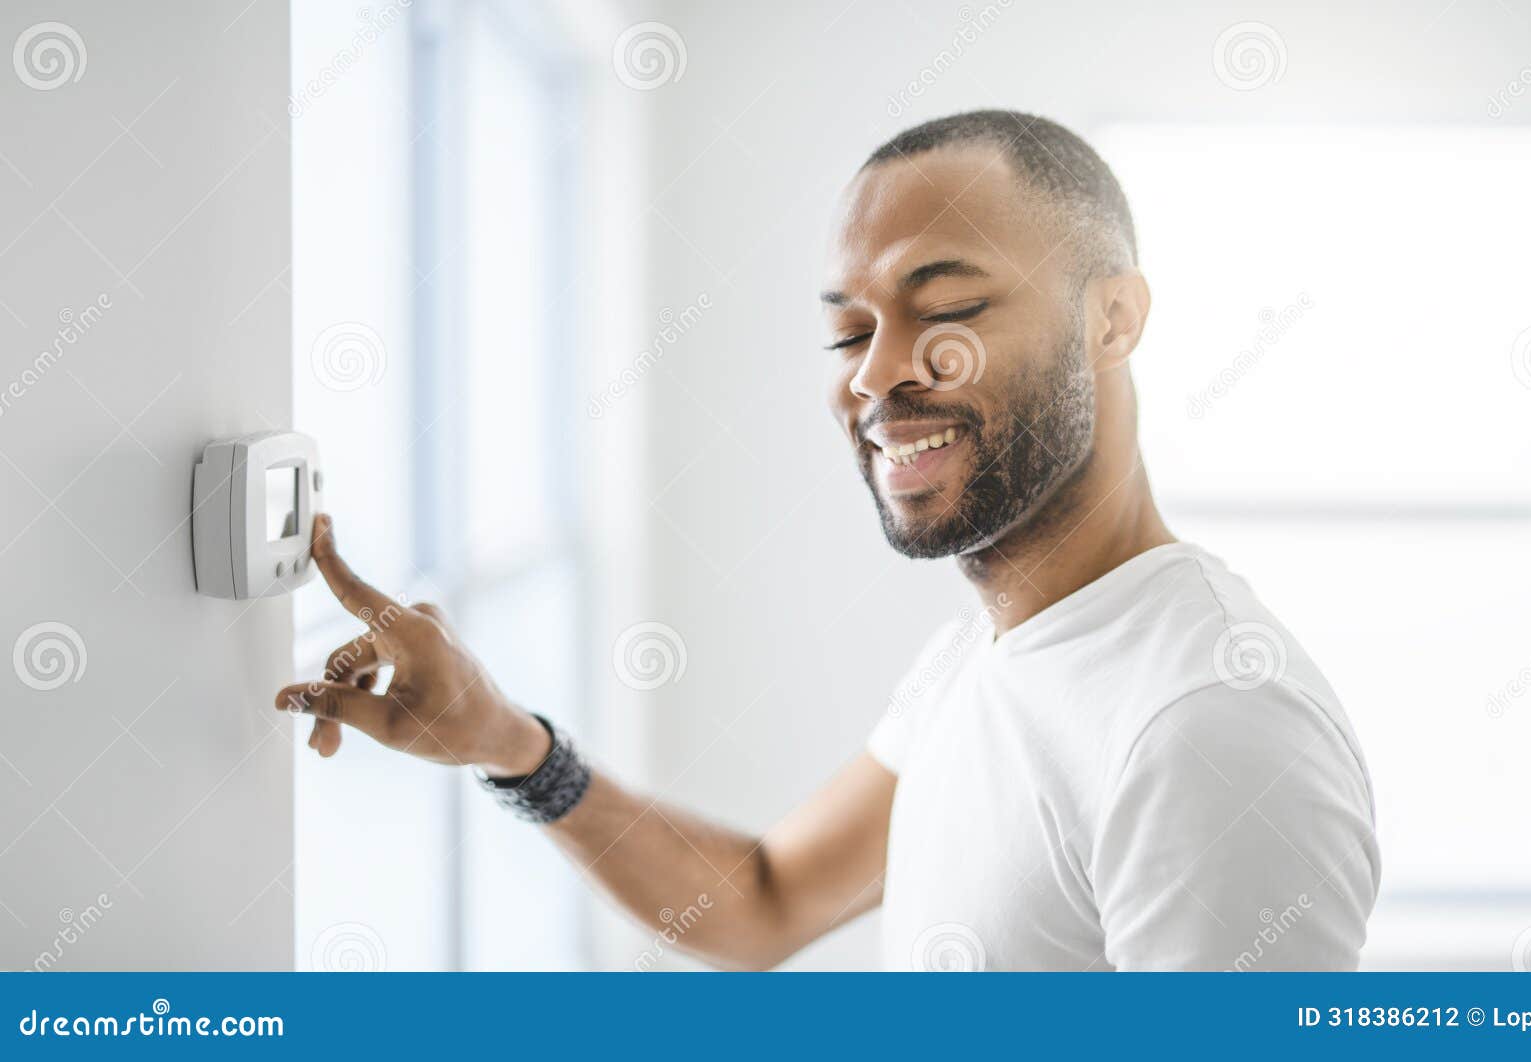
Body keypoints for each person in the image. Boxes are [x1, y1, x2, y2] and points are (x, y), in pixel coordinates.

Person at [277, 110, 1379, 972]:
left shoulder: (1205, 725)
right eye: (848, 329)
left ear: (1112, 319)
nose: (873, 372)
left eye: (944, 307)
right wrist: (507, 743)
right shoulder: (980, 660)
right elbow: (763, 903)